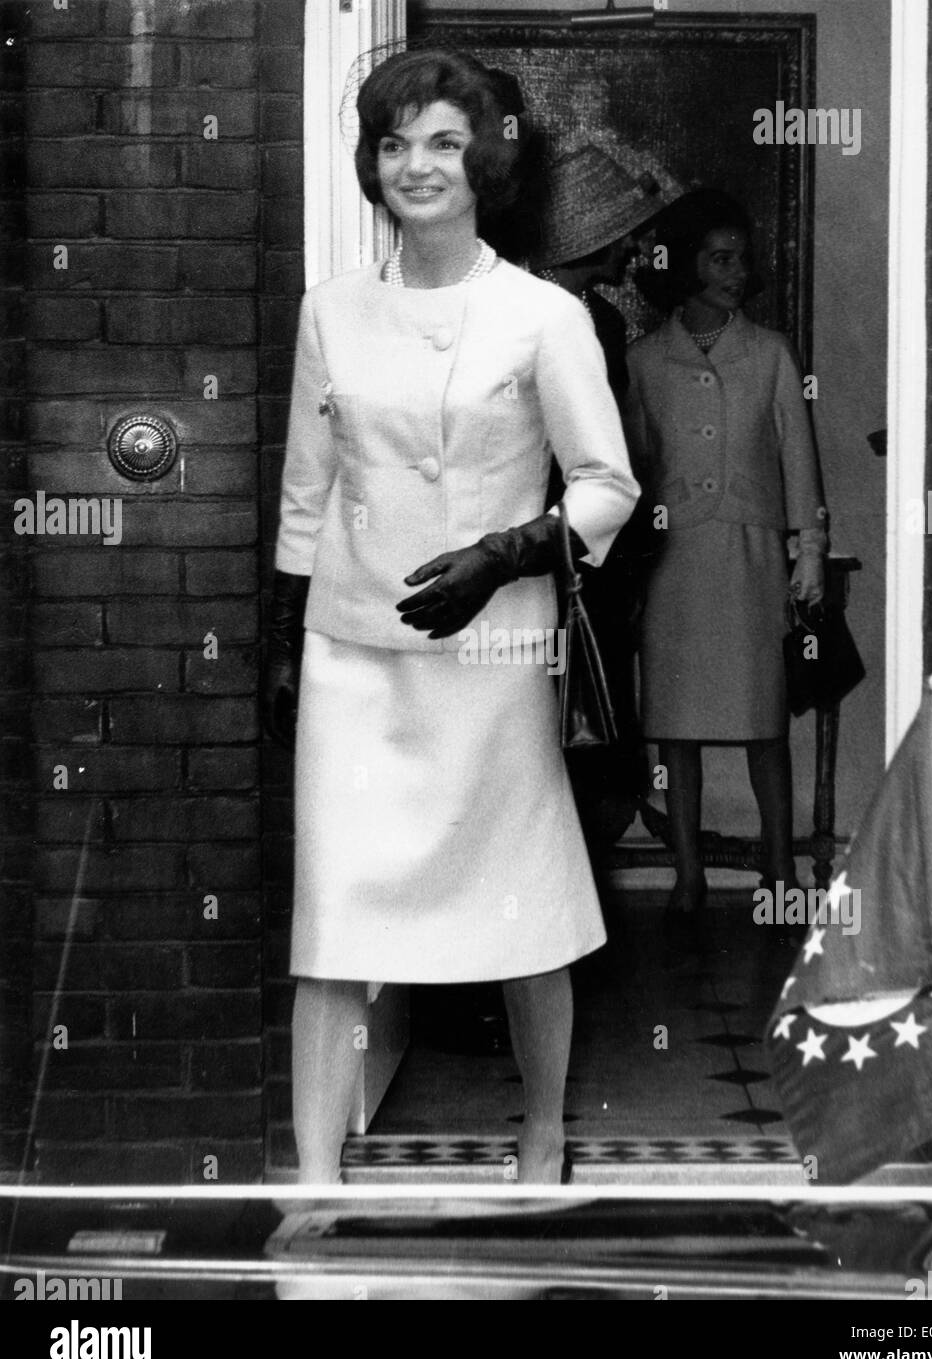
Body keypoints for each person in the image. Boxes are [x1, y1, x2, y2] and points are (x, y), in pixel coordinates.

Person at [262, 49, 639, 1185]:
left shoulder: (544, 314)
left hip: (496, 656)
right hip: (353, 662)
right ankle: (318, 1180)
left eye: (440, 142)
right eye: (392, 143)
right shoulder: (330, 312)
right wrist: (285, 649)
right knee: (333, 927)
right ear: (370, 166)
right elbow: (303, 489)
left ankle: (543, 1130)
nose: (415, 166)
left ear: (486, 161)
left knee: (523, 917)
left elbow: (608, 483)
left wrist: (506, 553)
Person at [625, 189, 827, 927]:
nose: (734, 273)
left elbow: (800, 461)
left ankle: (778, 867)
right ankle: (686, 875)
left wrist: (808, 551)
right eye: (719, 259)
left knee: (763, 722)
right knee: (675, 727)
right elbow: (632, 471)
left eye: (741, 260)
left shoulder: (772, 353)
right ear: (685, 266)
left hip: (750, 556)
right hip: (673, 559)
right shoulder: (644, 361)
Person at [530, 144, 685, 856]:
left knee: (596, 734)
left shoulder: (605, 323)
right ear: (591, 234)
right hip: (531, 559)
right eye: (628, 233)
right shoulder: (524, 317)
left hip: (592, 560)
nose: (637, 249)